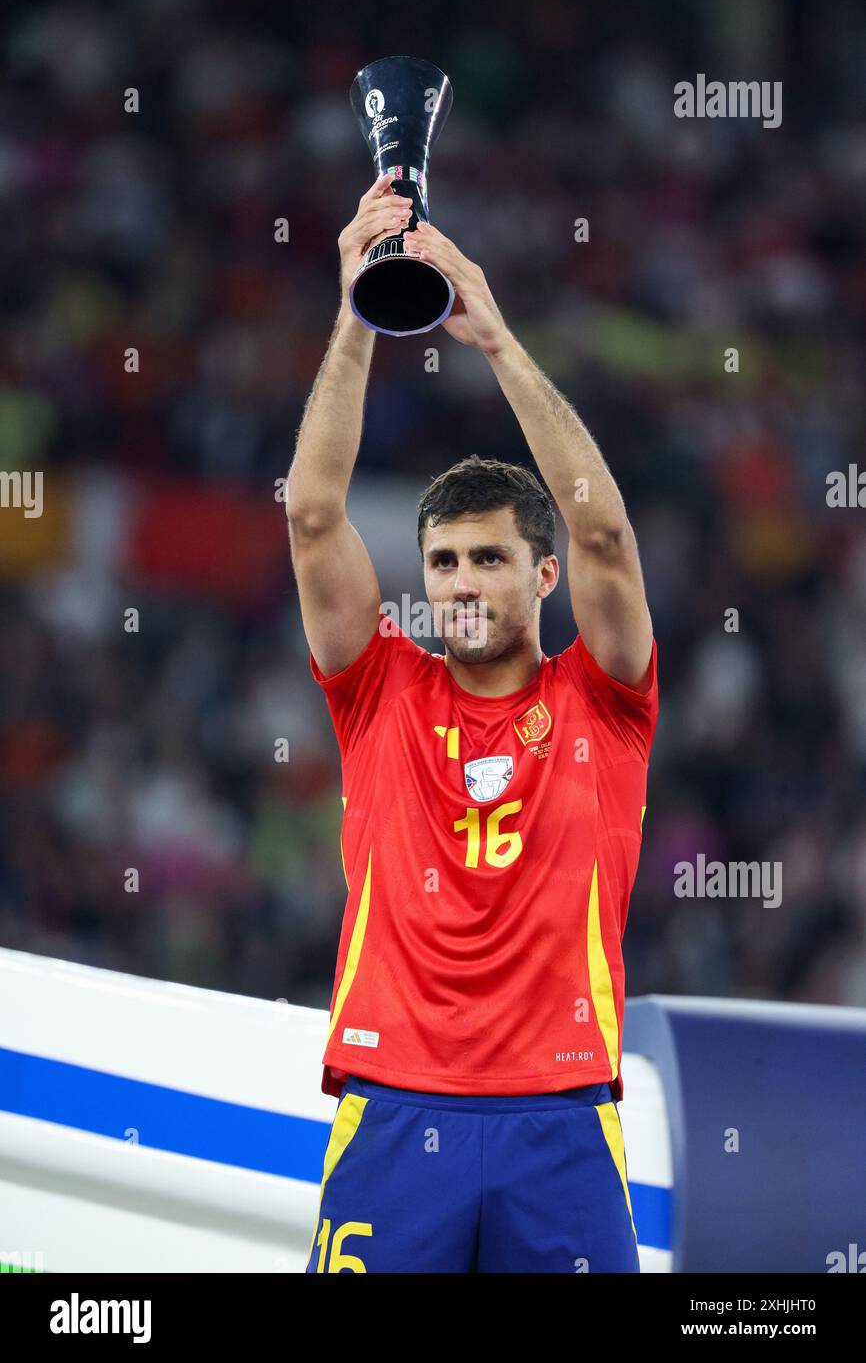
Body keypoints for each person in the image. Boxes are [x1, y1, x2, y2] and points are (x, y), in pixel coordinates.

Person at [287, 173, 658, 1273]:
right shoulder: (377, 688)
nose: (459, 581)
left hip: (560, 1115)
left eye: (488, 557)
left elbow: (603, 539)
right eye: (442, 560)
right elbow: (311, 513)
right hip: (392, 1102)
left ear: (538, 574)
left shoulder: (604, 698)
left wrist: (494, 339)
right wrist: (357, 310)